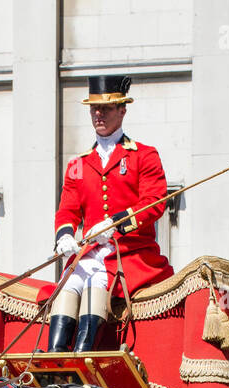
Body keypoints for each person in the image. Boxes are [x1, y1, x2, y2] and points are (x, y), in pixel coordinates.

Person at [50, 75, 174, 353]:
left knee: (98, 279)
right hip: (89, 252)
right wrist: (66, 236)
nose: (98, 114)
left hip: (128, 253)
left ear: (122, 110)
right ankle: (53, 356)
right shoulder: (79, 163)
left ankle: (83, 356)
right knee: (71, 279)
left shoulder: (144, 155)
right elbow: (67, 210)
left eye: (105, 108)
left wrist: (116, 224)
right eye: (94, 109)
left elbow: (154, 202)